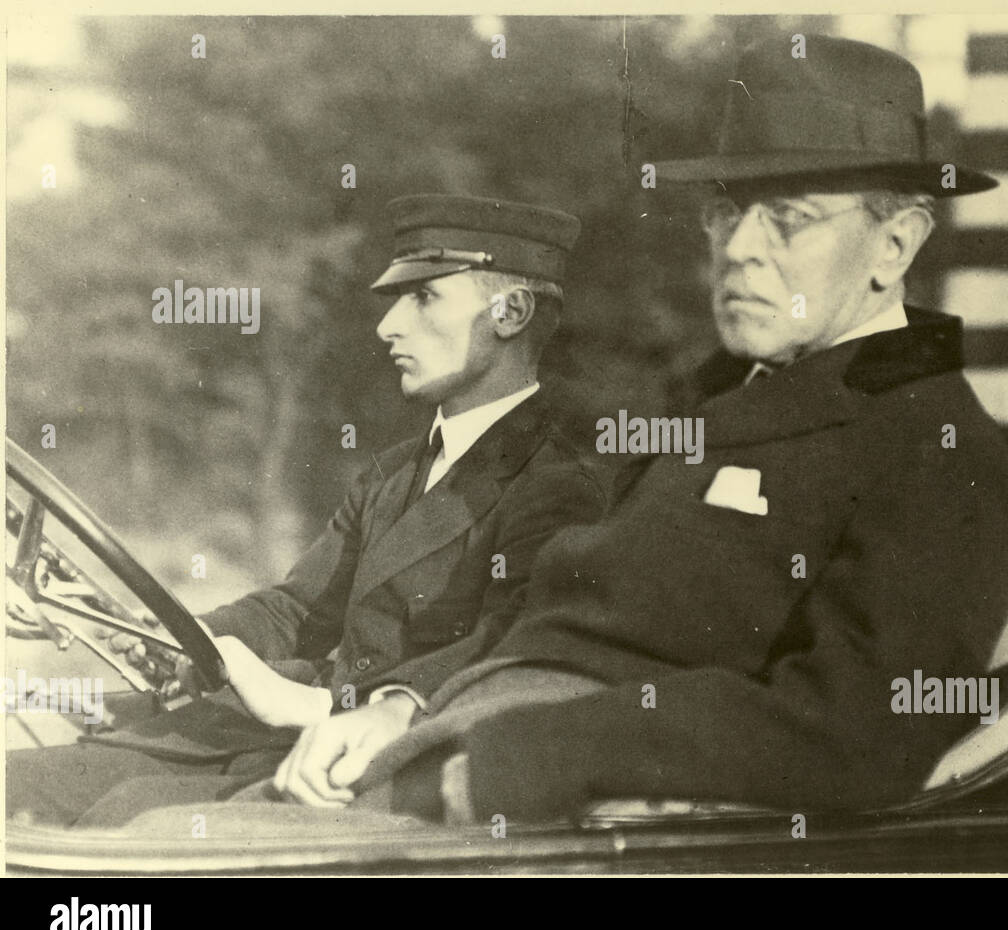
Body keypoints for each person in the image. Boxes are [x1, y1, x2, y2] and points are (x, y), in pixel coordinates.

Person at [279, 35, 1008, 821]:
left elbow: (858, 735)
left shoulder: (934, 446)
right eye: (726, 214)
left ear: (895, 244)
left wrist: (527, 759)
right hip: (470, 730)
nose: (738, 250)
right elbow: (544, 620)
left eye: (789, 222)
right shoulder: (706, 403)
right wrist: (400, 704)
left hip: (566, 804)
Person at [6, 193, 606, 827]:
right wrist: (159, 630)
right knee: (22, 782)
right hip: (280, 737)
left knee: (117, 822)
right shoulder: (395, 469)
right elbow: (297, 608)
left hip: (376, 770)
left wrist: (317, 706)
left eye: (424, 298)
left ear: (510, 313)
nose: (387, 326)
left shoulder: (558, 488)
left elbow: (511, 655)